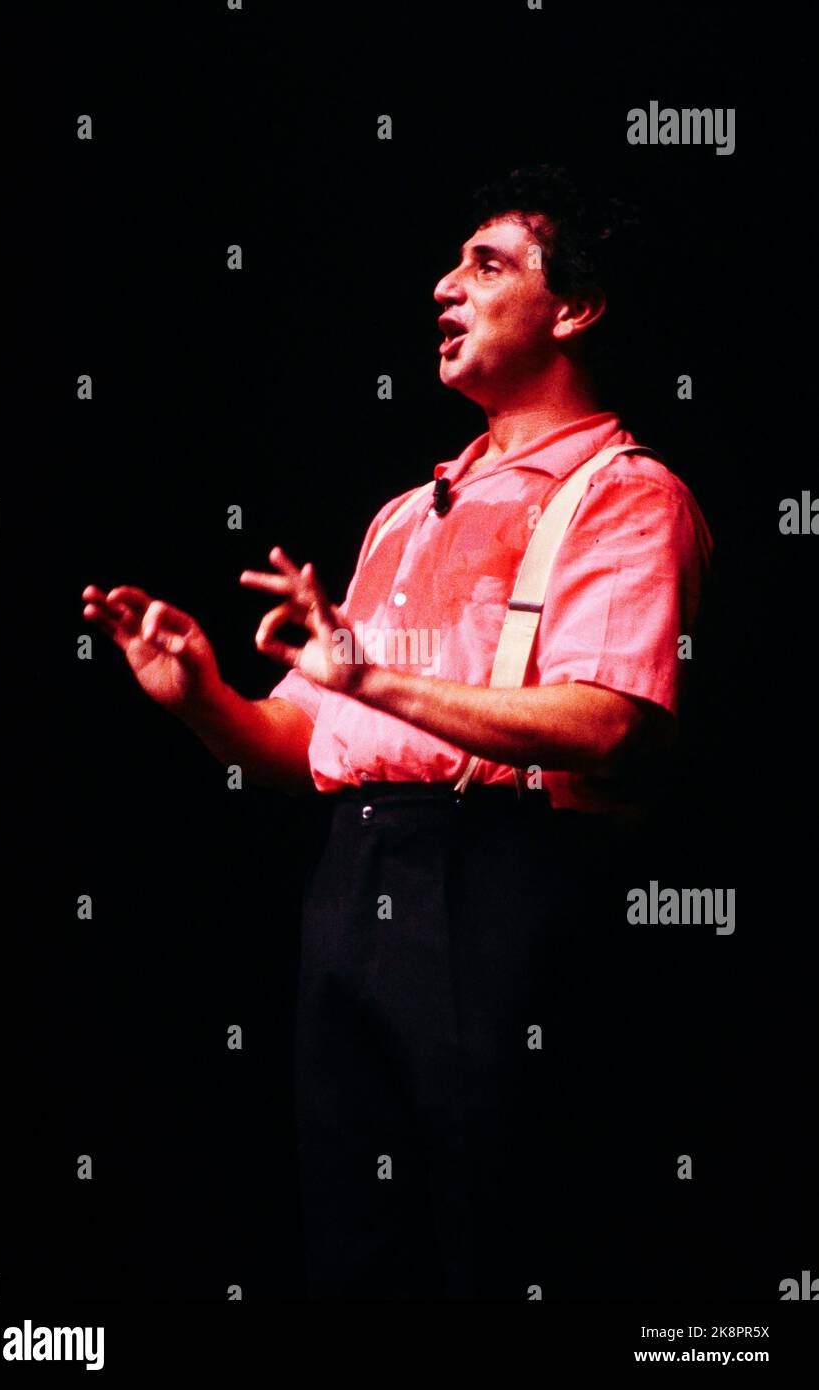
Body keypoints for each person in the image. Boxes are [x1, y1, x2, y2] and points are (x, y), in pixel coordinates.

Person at [82, 165, 712, 1300]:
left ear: (573, 308)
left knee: (502, 1242)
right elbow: (306, 746)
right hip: (355, 878)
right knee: (357, 1252)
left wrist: (371, 674)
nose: (442, 287)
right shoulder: (400, 513)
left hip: (502, 882)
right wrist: (204, 700)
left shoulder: (623, 494)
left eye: (485, 264)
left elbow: (611, 726)